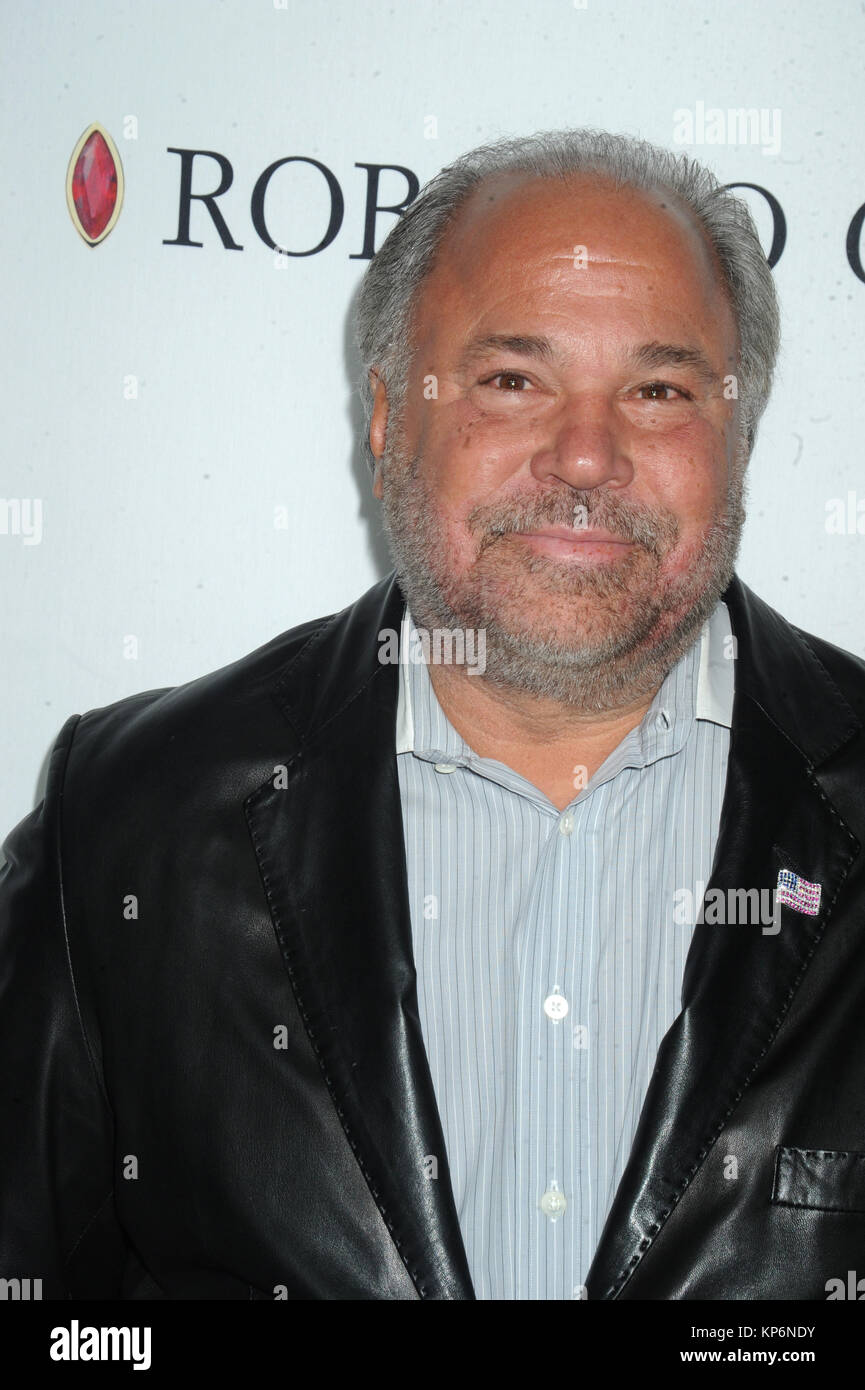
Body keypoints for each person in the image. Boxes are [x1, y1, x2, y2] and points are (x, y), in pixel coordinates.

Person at [2, 129, 864, 1302]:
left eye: (659, 390)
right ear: (384, 416)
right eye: (512, 379)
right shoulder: (126, 817)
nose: (585, 456)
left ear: (740, 439)